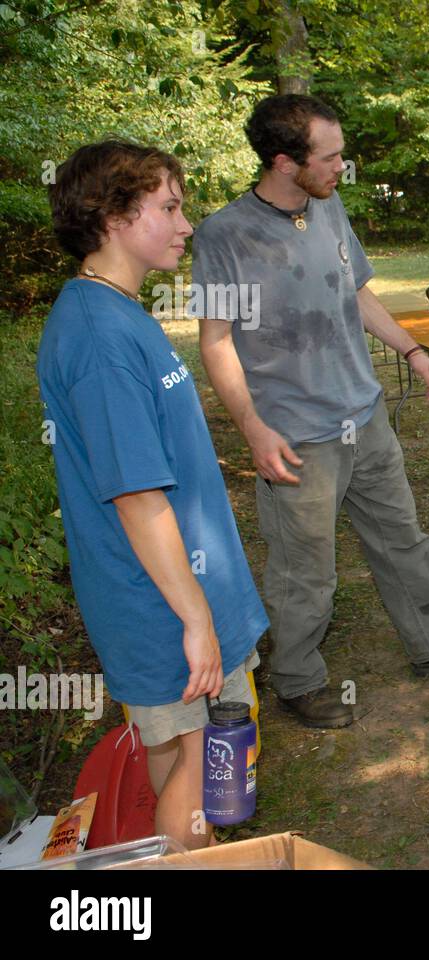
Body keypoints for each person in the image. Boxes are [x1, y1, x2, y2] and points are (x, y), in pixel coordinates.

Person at [195, 94, 429, 731]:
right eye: (330, 156)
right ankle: (298, 678)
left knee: (402, 538)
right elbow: (216, 340)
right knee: (305, 568)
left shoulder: (329, 207)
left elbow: (356, 289)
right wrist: (253, 428)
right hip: (295, 436)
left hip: (364, 414)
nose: (344, 166)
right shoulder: (226, 234)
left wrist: (413, 350)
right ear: (284, 161)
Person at [38, 140, 268, 850]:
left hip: (183, 597)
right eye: (168, 207)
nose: (186, 223)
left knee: (181, 764)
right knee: (201, 777)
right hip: (163, 606)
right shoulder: (99, 336)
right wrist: (196, 618)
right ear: (112, 215)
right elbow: (137, 497)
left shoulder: (118, 310)